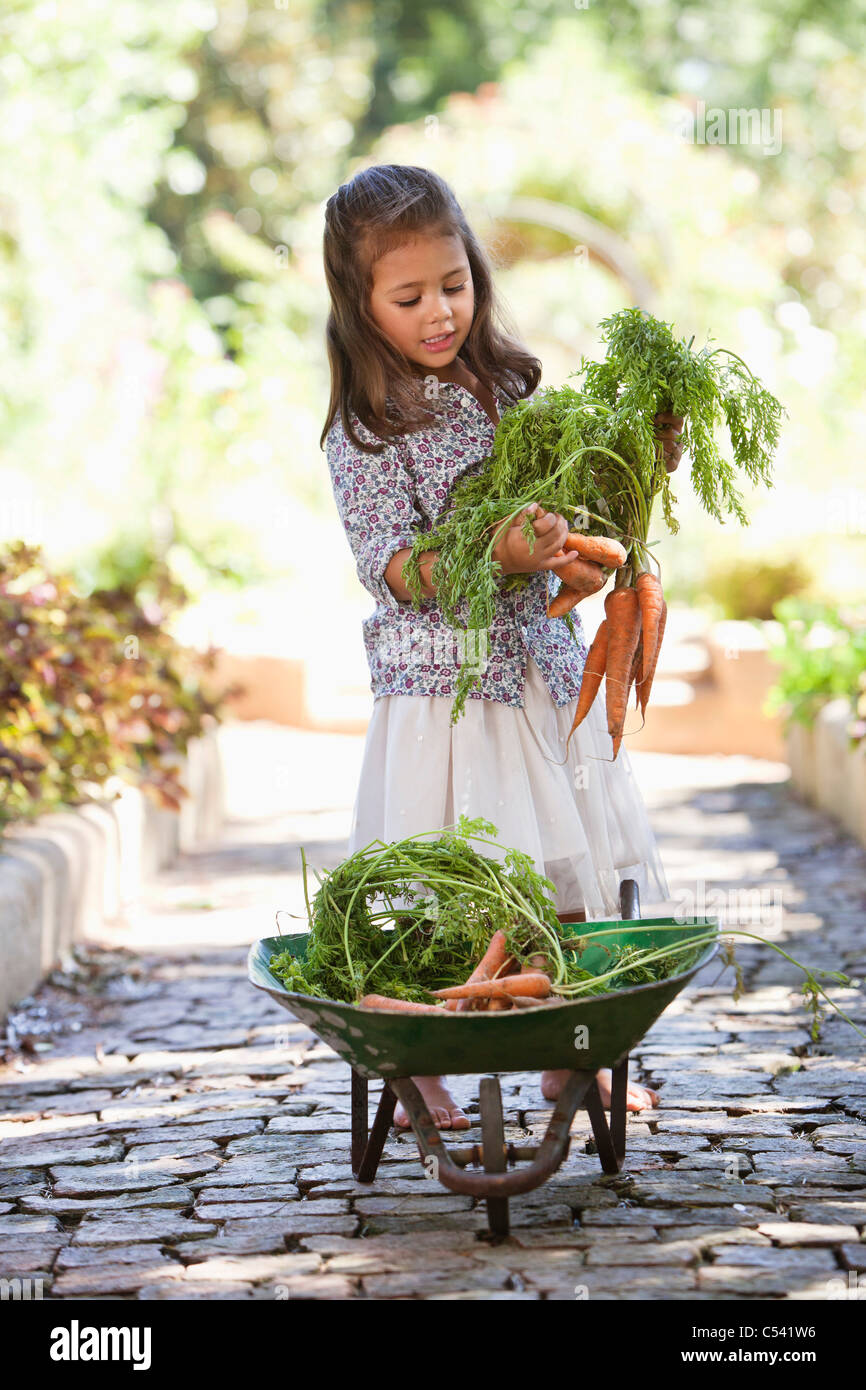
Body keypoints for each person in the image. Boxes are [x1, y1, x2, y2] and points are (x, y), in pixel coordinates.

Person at [321, 163, 683, 1130]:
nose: (440, 311)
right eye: (409, 297)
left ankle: (576, 1051)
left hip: (541, 672)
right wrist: (491, 549)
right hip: (443, 692)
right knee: (451, 881)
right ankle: (417, 1064)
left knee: (567, 869)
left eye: (455, 284)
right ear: (359, 309)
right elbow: (391, 569)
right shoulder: (365, 429)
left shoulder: (513, 388)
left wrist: (634, 471)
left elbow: (574, 519)